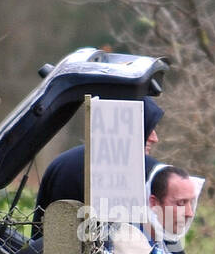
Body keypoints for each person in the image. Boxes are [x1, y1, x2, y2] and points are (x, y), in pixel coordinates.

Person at [34, 95, 164, 239]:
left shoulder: (63, 162)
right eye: (147, 128)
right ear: (129, 127)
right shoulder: (143, 171)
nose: (155, 138)